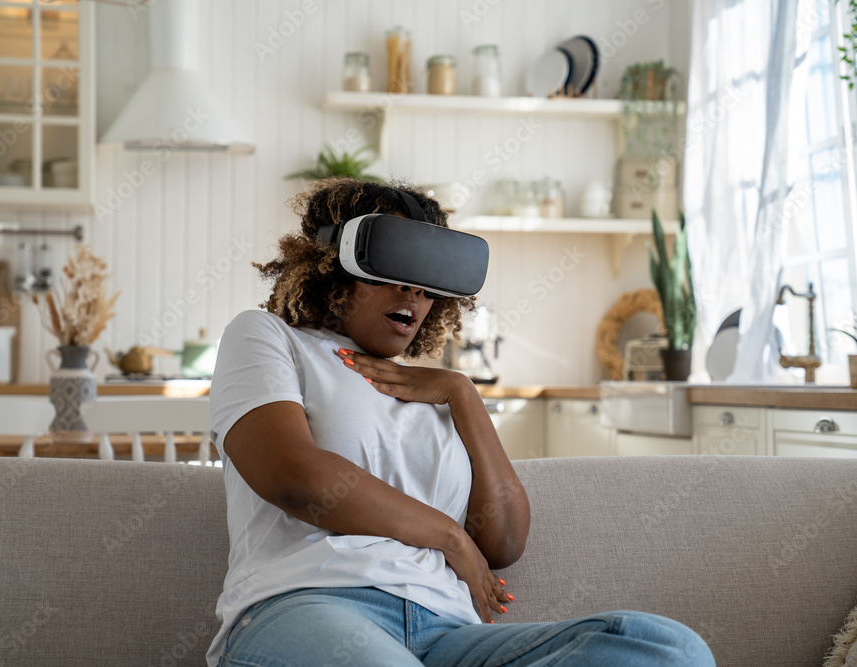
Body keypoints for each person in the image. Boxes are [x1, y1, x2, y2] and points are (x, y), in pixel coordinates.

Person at [206, 178, 715, 667]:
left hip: (447, 631)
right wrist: (448, 536)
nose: (413, 289)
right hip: (311, 604)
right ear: (329, 266)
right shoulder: (268, 338)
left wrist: (463, 395)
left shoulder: (435, 393)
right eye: (392, 264)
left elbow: (503, 544)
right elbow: (294, 477)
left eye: (429, 276)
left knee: (669, 650)